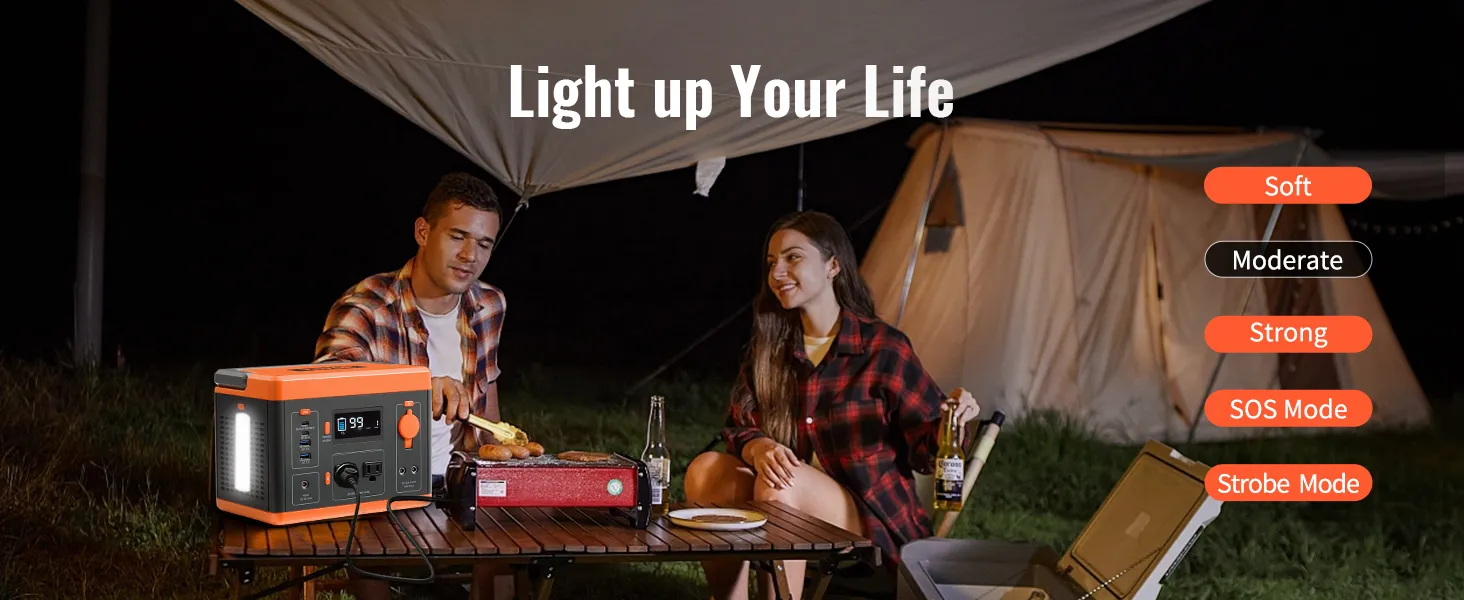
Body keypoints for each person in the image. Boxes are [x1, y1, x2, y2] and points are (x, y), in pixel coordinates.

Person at [683, 210, 980, 600]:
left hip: (870, 519)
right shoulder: (772, 349)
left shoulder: (882, 348)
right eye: (772, 263)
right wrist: (758, 446)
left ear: (833, 266)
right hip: (785, 501)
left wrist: (952, 422)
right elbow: (739, 426)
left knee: (782, 481)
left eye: (792, 257)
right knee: (707, 469)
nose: (777, 273)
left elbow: (927, 452)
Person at [313, 171, 508, 599]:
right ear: (423, 232)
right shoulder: (366, 306)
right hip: (378, 489)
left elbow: (487, 402)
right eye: (458, 237)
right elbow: (323, 391)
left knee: (518, 551)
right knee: (369, 539)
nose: (470, 256)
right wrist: (414, 389)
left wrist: (503, 458)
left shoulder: (489, 304)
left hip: (458, 484)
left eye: (484, 244)